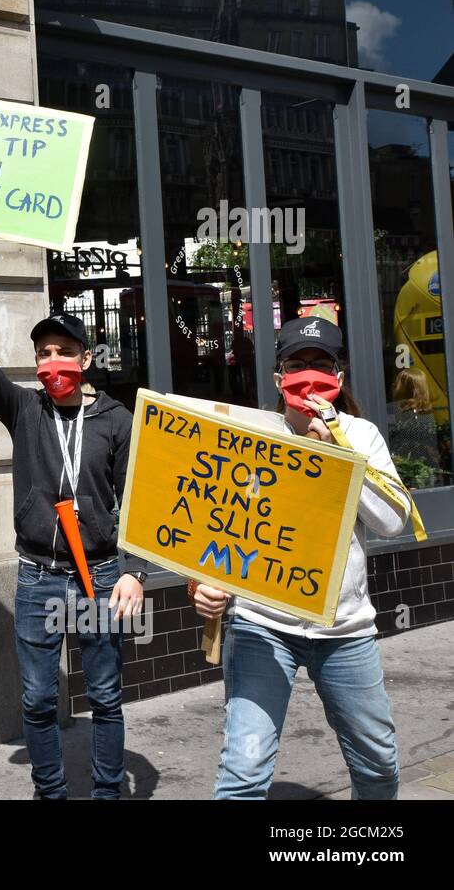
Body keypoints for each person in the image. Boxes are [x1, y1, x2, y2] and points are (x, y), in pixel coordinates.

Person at [192, 318, 414, 799]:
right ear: (278, 378)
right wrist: (203, 585)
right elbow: (217, 526)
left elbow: (392, 521)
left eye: (320, 365)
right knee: (243, 775)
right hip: (259, 624)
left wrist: (339, 455)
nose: (307, 376)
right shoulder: (247, 436)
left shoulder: (363, 436)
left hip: (344, 630)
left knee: (378, 764)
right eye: (297, 365)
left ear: (339, 377)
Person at [0, 248, 142, 799]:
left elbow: (134, 502)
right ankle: (51, 792)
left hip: (101, 577)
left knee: (105, 698)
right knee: (38, 700)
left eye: (63, 351)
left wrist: (135, 570)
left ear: (85, 359)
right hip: (39, 577)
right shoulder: (24, 410)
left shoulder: (116, 419)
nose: (52, 361)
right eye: (43, 353)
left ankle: (108, 793)